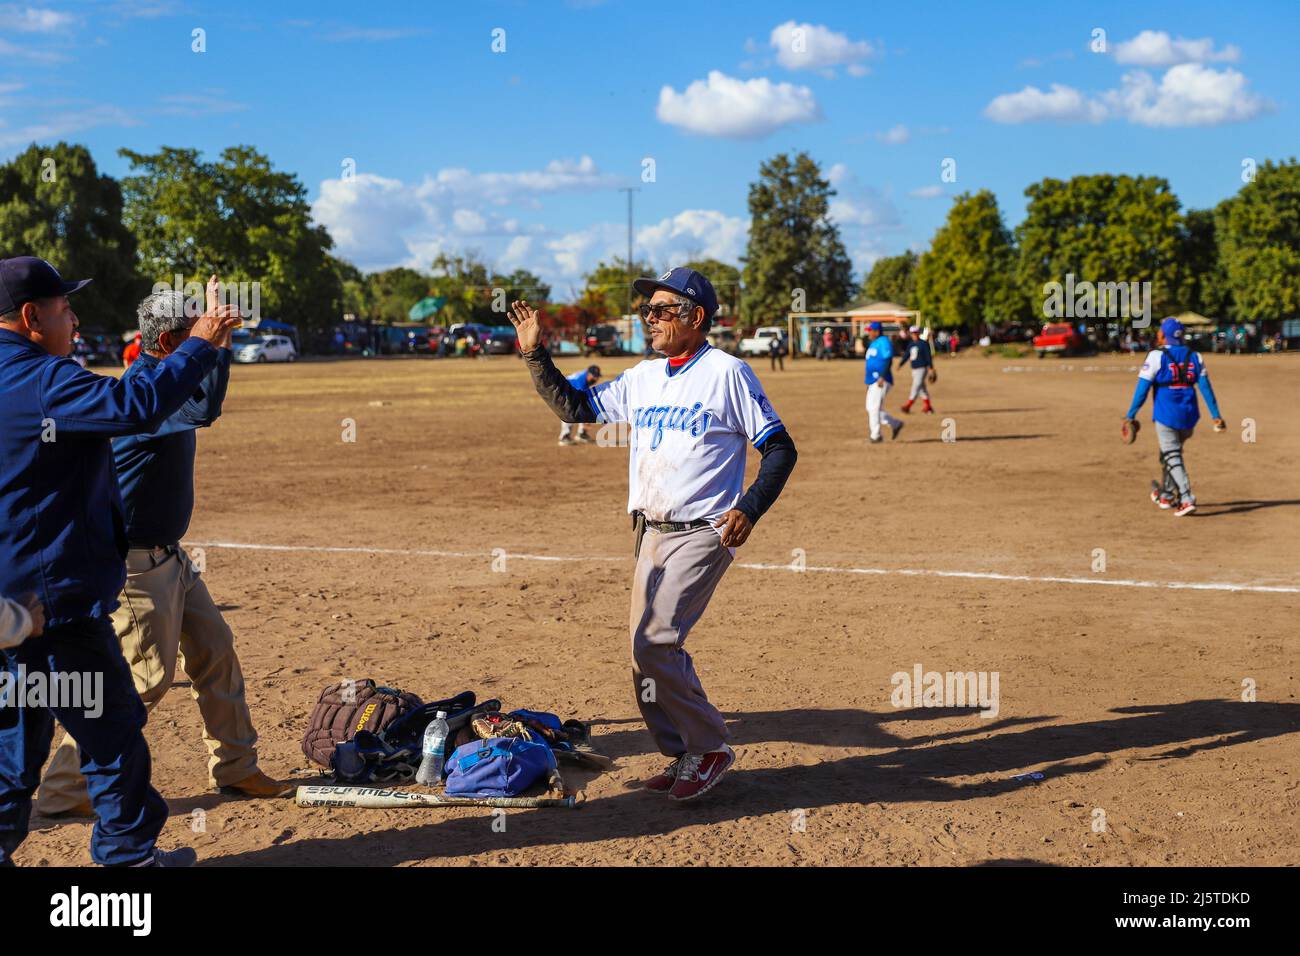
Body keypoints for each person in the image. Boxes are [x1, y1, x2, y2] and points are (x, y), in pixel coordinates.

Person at [507, 267, 797, 801]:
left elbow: (780, 448)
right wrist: (535, 354)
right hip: (650, 532)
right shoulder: (643, 377)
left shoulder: (727, 373)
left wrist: (750, 508)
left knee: (656, 641)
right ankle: (684, 752)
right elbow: (577, 410)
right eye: (648, 310)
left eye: (663, 309)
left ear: (696, 317)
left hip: (705, 530)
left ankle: (710, 746)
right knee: (642, 657)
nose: (651, 318)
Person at [0, 256, 241, 867]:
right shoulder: (40, 380)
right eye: (65, 308)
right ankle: (129, 862)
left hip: (11, 607)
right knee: (112, 737)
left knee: (10, 760)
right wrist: (200, 343)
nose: (74, 319)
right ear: (32, 316)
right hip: (49, 608)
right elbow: (137, 404)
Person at [36, 281, 291, 819]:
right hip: (134, 565)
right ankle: (63, 789)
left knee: (216, 651)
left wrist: (211, 346)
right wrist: (215, 347)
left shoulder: (164, 379)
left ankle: (236, 767)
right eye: (194, 330)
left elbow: (200, 401)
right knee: (142, 681)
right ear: (173, 339)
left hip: (169, 558)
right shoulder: (146, 388)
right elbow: (202, 411)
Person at [1123, 317, 1225, 517]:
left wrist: (1130, 414)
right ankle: (1167, 495)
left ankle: (1186, 498)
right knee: (1170, 455)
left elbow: (1142, 390)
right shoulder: (1195, 356)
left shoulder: (1155, 356)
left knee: (1171, 455)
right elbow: (1206, 388)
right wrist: (1216, 416)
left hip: (1166, 414)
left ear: (1163, 335)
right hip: (1189, 416)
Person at [864, 321, 903, 443]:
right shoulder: (874, 343)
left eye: (870, 330)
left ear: (877, 331)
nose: (869, 333)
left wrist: (882, 376)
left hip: (882, 379)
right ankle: (895, 424)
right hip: (873, 380)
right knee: (871, 408)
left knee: (874, 408)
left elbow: (888, 360)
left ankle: (876, 435)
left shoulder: (884, 342)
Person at [558, 365, 601, 445]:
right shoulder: (581, 381)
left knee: (586, 410)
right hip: (564, 394)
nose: (596, 379)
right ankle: (564, 437)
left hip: (571, 392)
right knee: (568, 413)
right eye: (594, 376)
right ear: (588, 374)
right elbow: (581, 400)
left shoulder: (586, 378)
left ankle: (581, 434)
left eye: (597, 376)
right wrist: (586, 422)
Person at [898, 324, 936, 414]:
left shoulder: (923, 344)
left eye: (915, 333)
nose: (914, 335)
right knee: (922, 389)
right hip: (914, 369)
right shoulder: (911, 344)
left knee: (915, 387)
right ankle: (928, 407)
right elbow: (907, 355)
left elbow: (928, 357)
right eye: (912, 333)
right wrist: (900, 364)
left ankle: (908, 406)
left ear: (918, 333)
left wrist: (931, 367)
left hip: (922, 368)